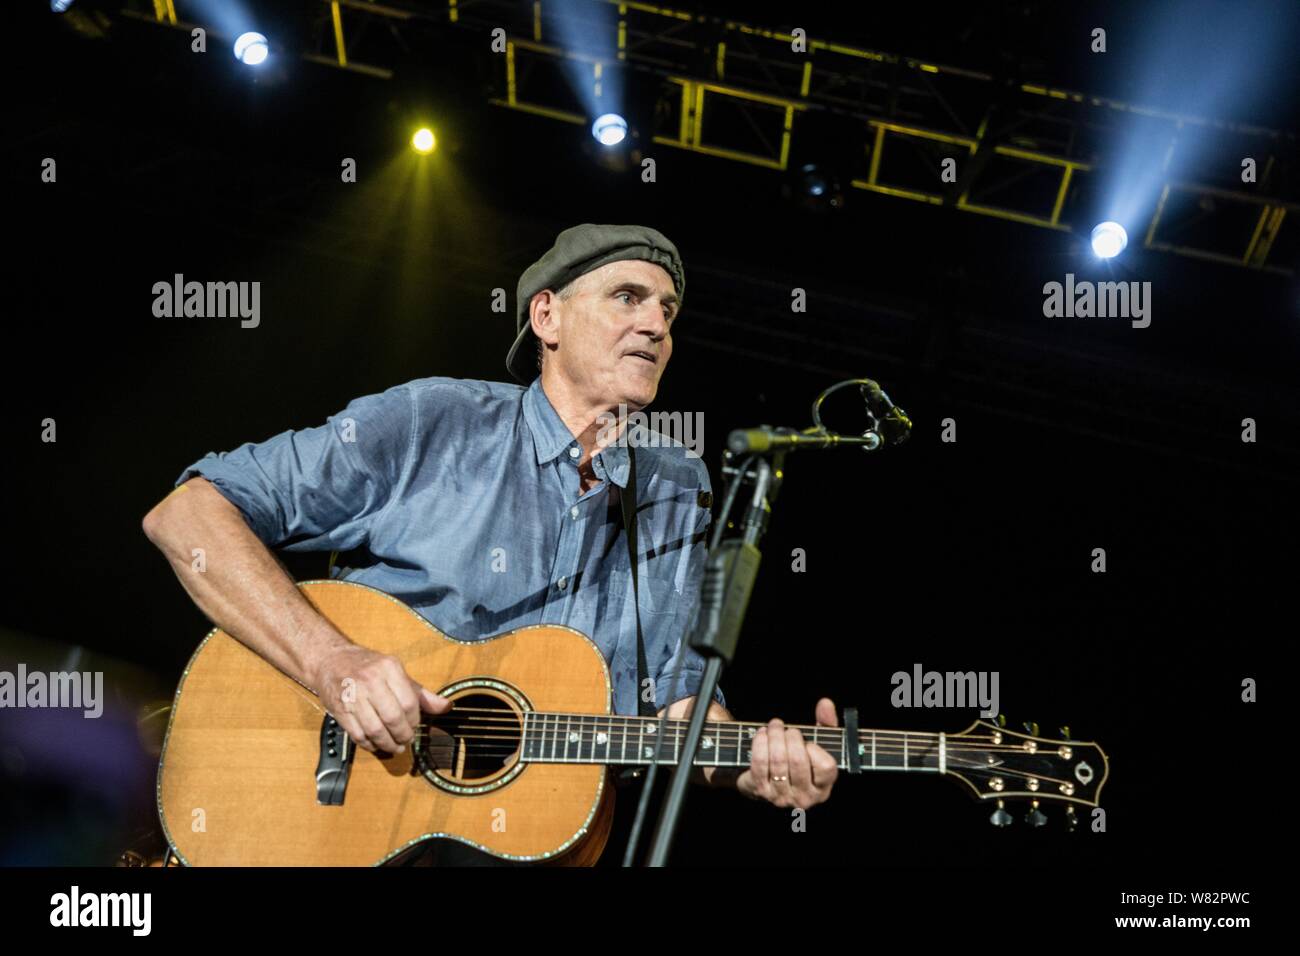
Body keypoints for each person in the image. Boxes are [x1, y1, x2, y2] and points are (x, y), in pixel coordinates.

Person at [142, 223, 839, 865]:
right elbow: (188, 515)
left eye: (667, 310)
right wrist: (334, 664)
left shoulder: (679, 487)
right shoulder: (436, 422)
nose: (656, 324)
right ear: (547, 317)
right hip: (328, 815)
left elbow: (682, 703)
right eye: (628, 297)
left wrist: (751, 759)